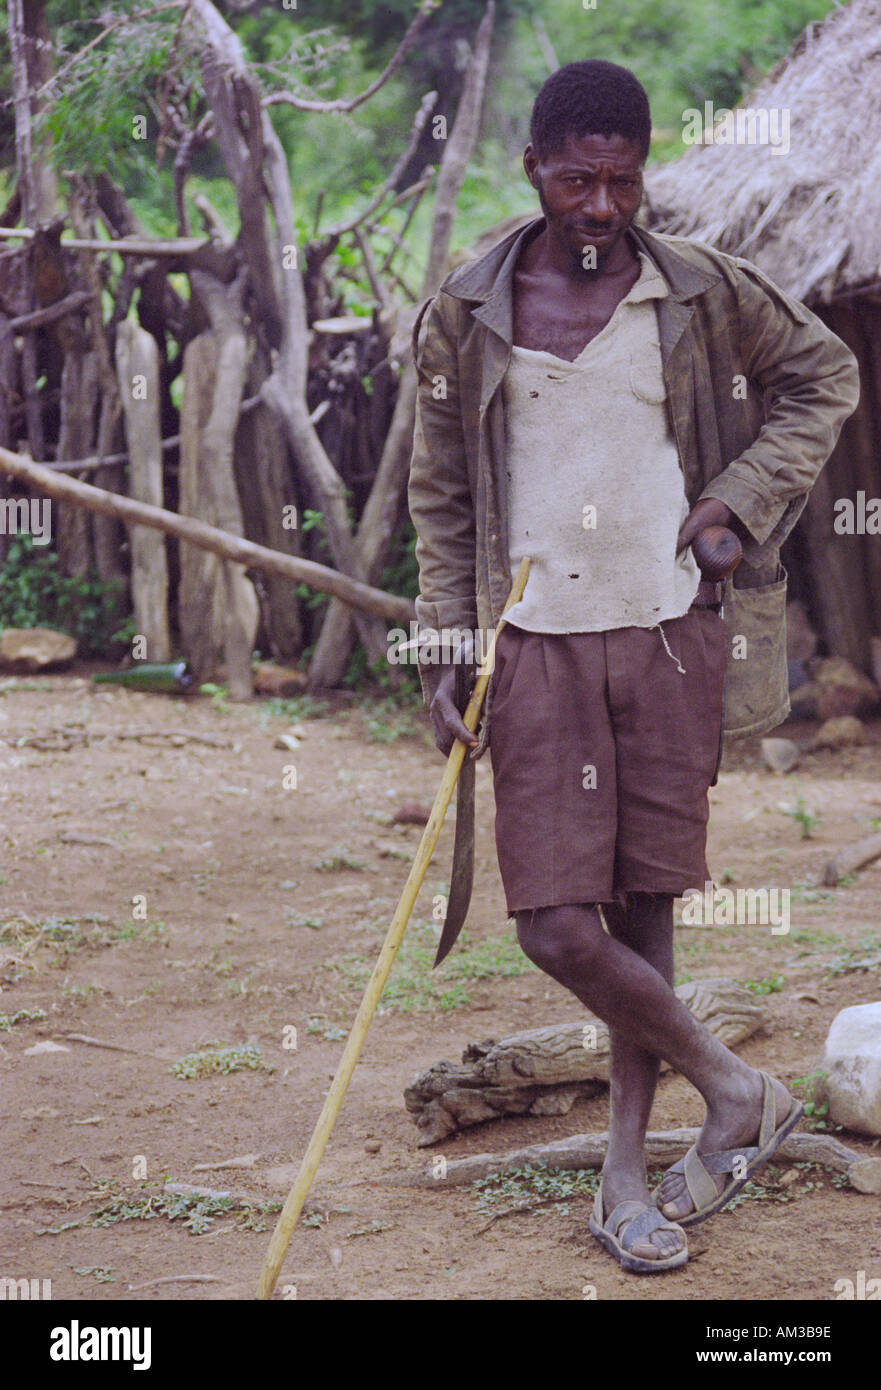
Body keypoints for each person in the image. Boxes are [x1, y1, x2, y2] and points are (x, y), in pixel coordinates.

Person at [407, 59, 860, 1272]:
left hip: (667, 632)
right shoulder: (466, 310)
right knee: (556, 924)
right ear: (533, 172)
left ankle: (625, 1180)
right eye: (575, 179)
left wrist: (734, 499)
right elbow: (441, 496)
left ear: (640, 174)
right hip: (532, 647)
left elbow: (823, 376)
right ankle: (732, 1087)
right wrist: (446, 641)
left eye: (619, 179)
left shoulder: (702, 291)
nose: (600, 206)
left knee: (642, 913)